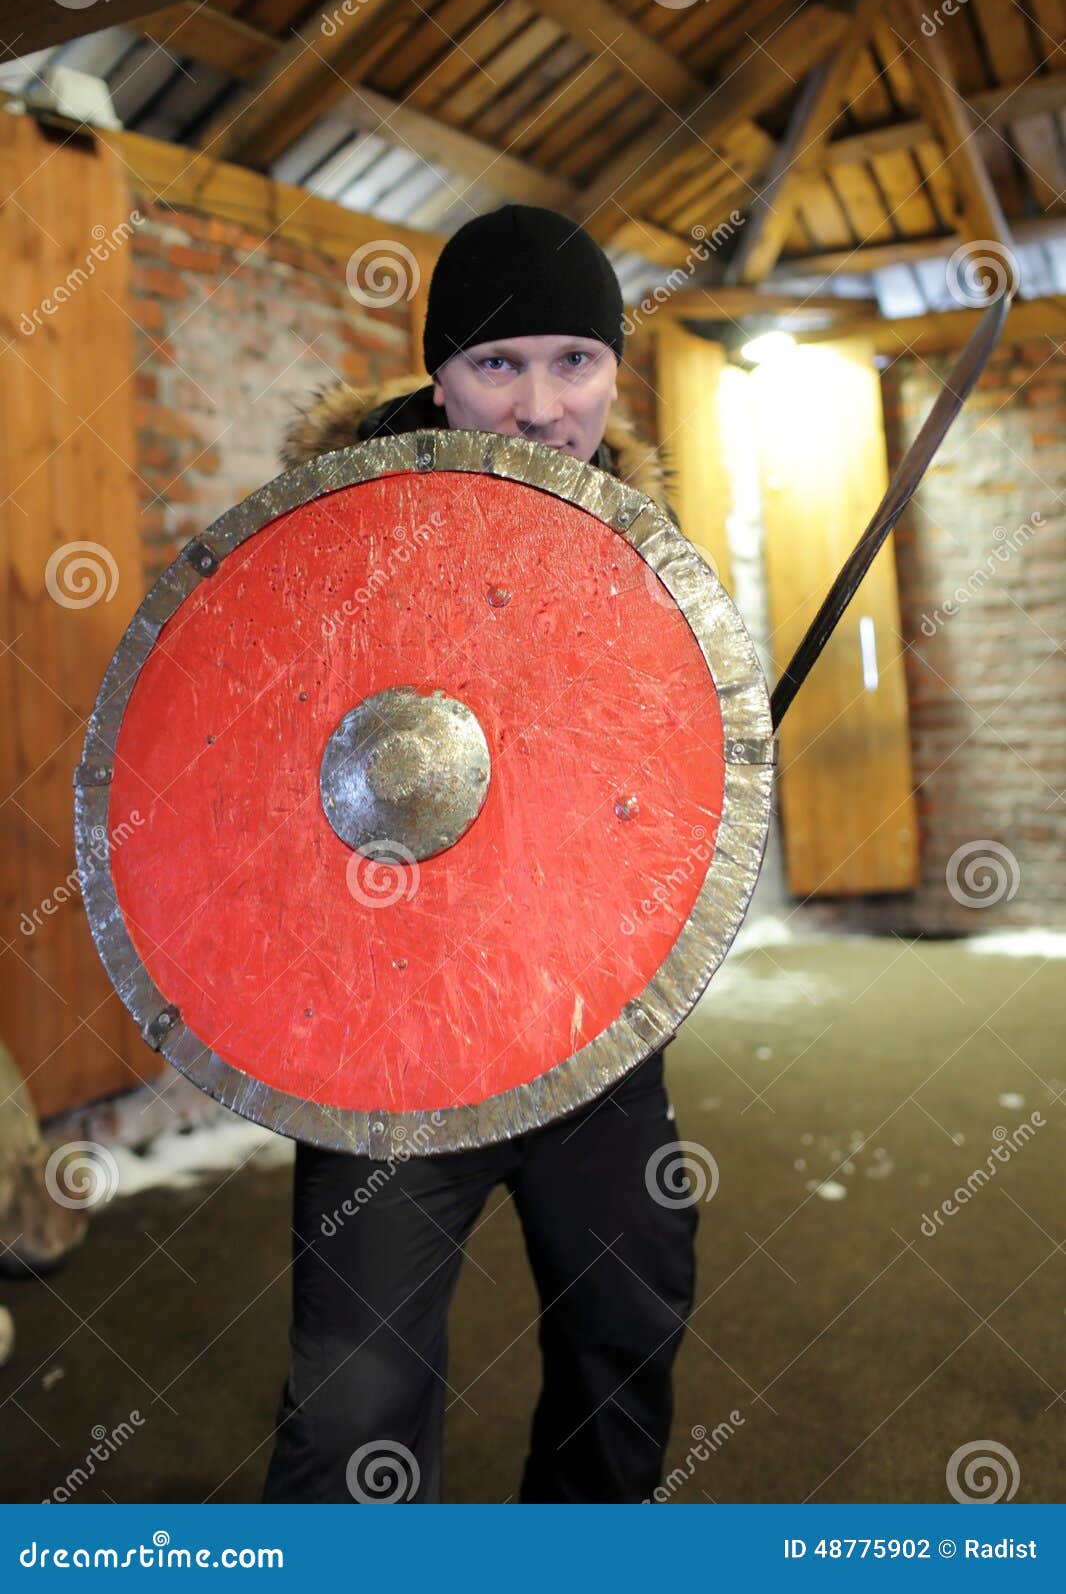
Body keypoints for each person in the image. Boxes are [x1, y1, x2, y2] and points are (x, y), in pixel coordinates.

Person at [261, 204, 696, 1505]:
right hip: (388, 1027)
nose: (540, 403)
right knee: (355, 1391)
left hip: (587, 1019)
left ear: (614, 373)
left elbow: (660, 791)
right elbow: (246, 795)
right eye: (498, 363)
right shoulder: (321, 545)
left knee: (628, 1321)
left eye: (576, 359)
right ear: (436, 375)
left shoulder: (643, 554)